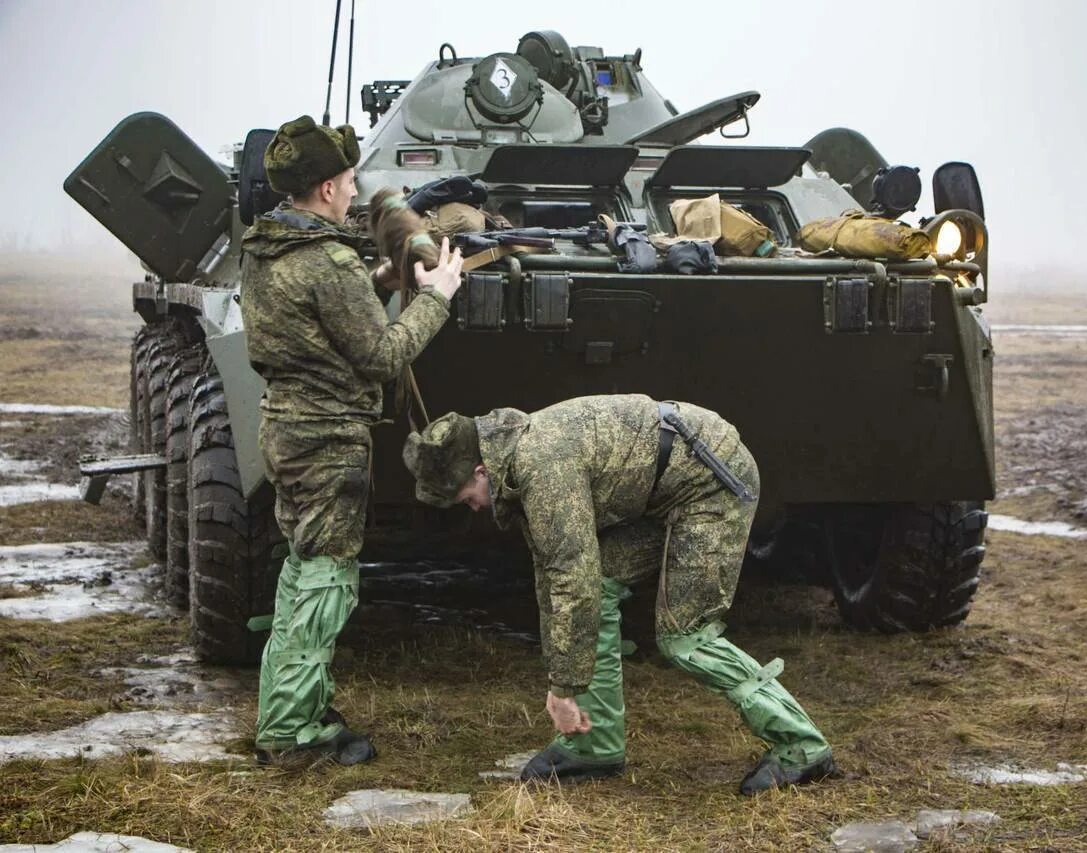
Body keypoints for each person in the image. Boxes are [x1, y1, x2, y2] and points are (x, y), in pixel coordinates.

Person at [403, 394, 836, 794]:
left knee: (685, 638)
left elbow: (573, 580)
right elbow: (555, 575)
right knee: (601, 582)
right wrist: (563, 680)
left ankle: (801, 746)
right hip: (664, 491)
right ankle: (594, 745)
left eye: (466, 498)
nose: (473, 507)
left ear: (482, 470)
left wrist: (564, 688)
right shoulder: (515, 462)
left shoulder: (542, 465)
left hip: (711, 481)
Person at [240, 114, 464, 766]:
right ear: (332, 187)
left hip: (286, 426)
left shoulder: (269, 246)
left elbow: (316, 316)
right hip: (330, 437)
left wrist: (381, 284)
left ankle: (294, 705)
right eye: (349, 177)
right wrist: (437, 296)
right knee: (326, 582)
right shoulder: (330, 259)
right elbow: (382, 355)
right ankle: (294, 732)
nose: (354, 184)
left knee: (302, 572)